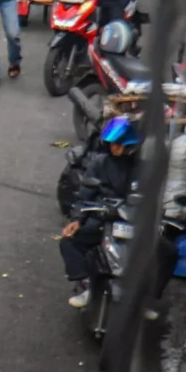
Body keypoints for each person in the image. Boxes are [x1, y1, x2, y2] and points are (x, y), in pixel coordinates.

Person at [59, 116, 137, 307]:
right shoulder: (100, 163)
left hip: (132, 222)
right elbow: (85, 195)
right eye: (112, 144)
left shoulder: (142, 167)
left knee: (164, 252)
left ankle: (144, 299)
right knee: (69, 242)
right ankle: (85, 284)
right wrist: (77, 219)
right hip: (102, 218)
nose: (114, 148)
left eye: (119, 145)